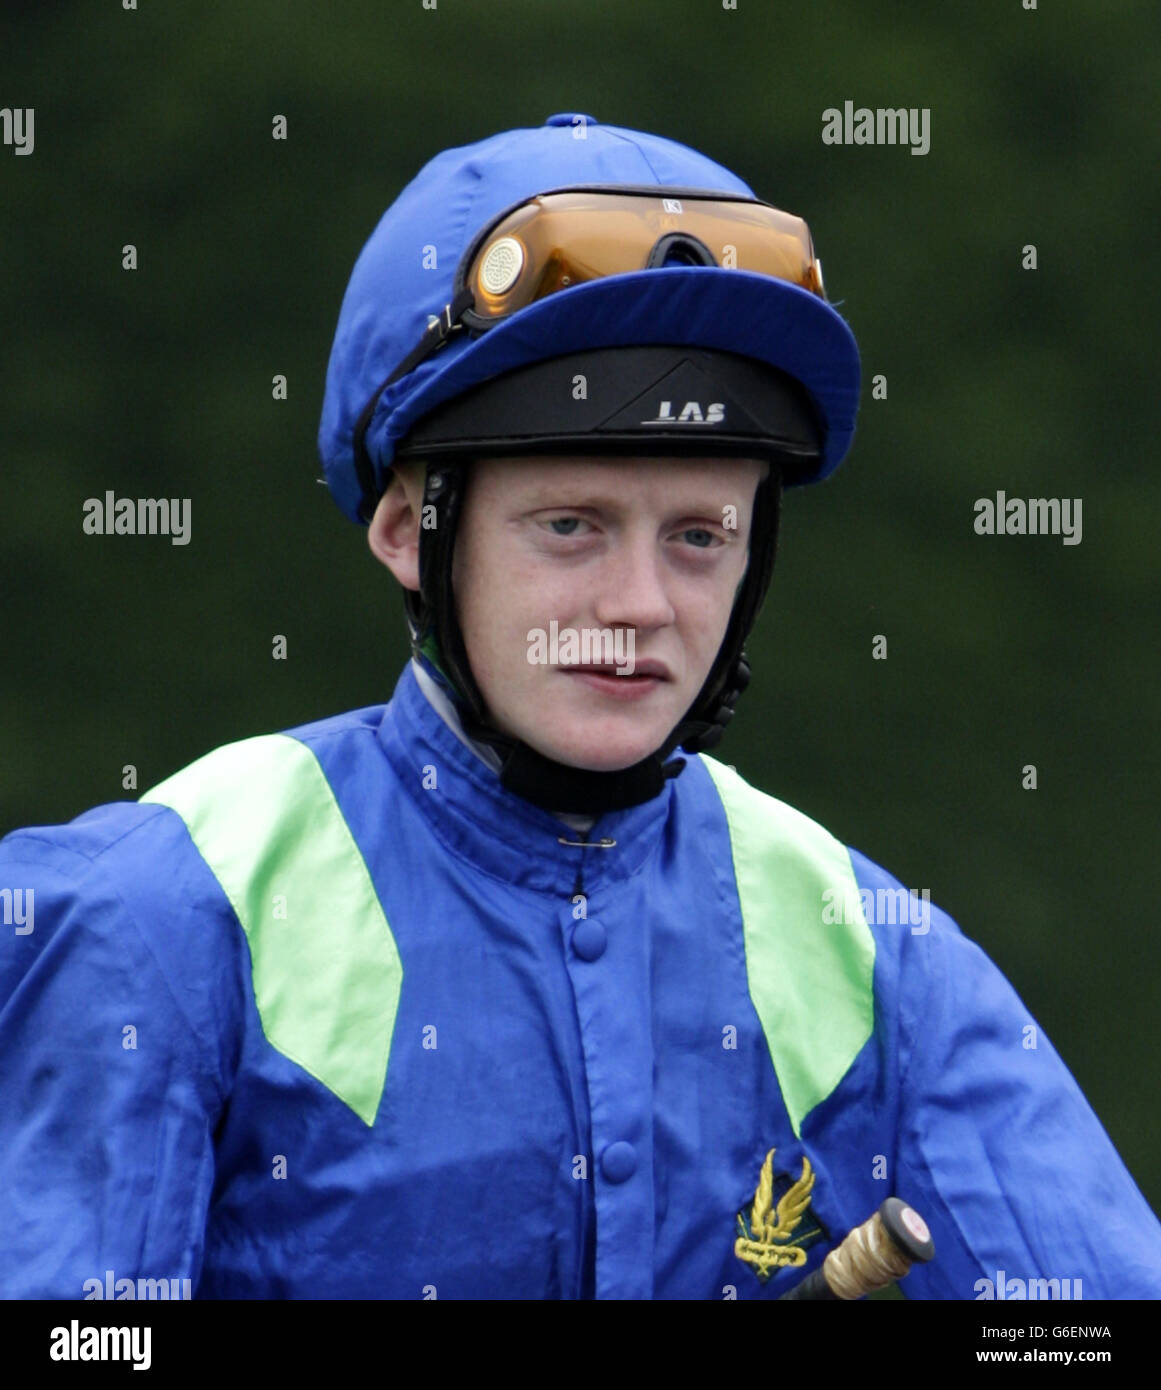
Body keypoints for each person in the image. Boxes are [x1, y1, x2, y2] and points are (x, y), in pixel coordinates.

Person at [1, 115, 1159, 1302]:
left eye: (701, 536)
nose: (640, 603)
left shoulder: (874, 946)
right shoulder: (156, 915)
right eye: (571, 525)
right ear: (408, 527)